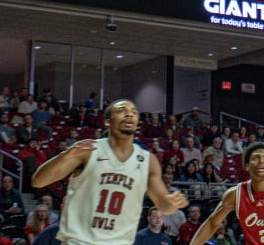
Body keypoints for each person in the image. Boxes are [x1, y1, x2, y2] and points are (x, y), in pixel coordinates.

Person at [31, 99, 188, 245]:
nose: (129, 114)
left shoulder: (148, 161)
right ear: (107, 121)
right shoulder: (88, 150)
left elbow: (163, 205)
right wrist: (66, 155)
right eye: (122, 110)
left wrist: (173, 204)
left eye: (134, 112)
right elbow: (38, 181)